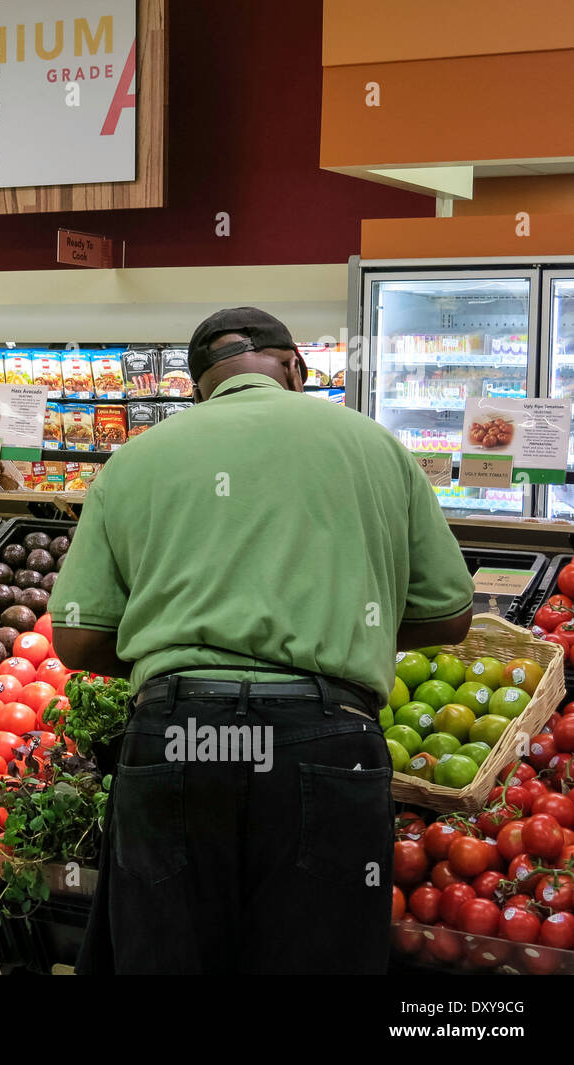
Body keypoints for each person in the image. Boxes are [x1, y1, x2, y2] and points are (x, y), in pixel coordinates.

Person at [48, 307, 474, 975]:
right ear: (295, 367)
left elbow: (76, 637)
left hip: (177, 737)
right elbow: (450, 613)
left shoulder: (134, 460)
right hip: (328, 739)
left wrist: (170, 649)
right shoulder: (375, 444)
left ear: (198, 389)